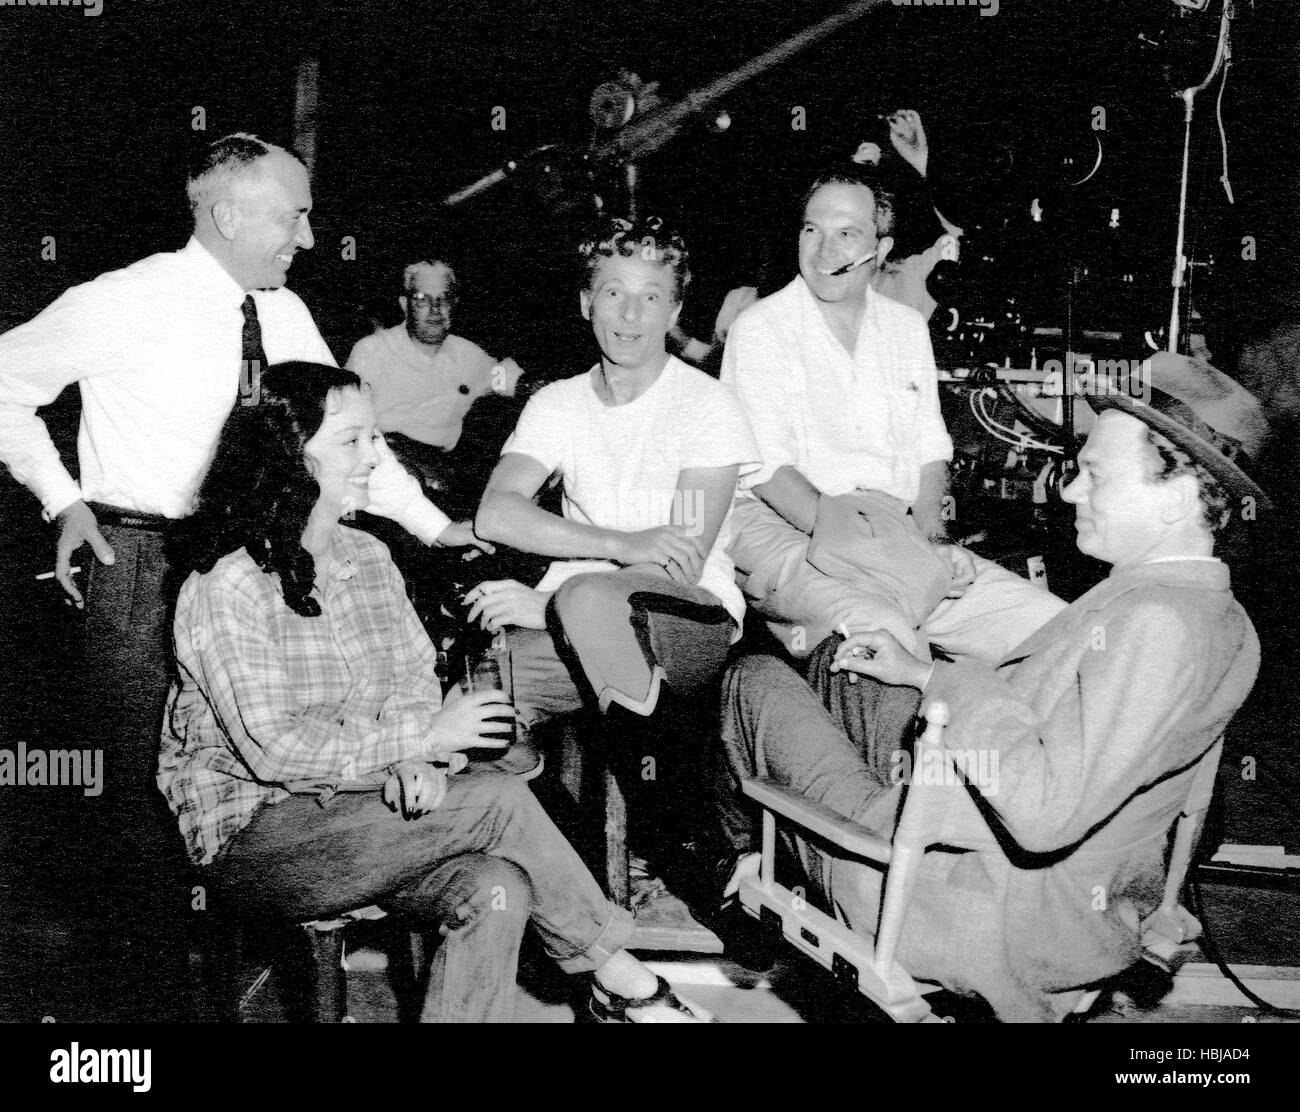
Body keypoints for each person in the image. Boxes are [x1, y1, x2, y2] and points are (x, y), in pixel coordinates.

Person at [0, 132, 475, 1019]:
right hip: (141, 561)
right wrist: (62, 499)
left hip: (256, 572)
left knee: (238, 788)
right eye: (293, 214)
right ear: (228, 214)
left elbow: (349, 439)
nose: (307, 234)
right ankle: (147, 1015)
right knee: (140, 806)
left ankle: (234, 984)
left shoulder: (285, 314)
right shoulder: (122, 299)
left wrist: (439, 526)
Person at [158, 361, 713, 1023]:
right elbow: (275, 752)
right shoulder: (226, 584)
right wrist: (422, 740)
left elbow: (413, 683)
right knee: (500, 800)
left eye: (375, 438)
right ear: (288, 457)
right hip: (257, 834)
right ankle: (624, 981)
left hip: (366, 811)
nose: (374, 457)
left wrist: (415, 760)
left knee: (497, 885)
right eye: (352, 441)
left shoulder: (369, 556)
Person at [718, 352, 1265, 1021]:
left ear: (1177, 496)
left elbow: (1042, 813)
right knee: (840, 662)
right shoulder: (1220, 615)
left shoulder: (1157, 626)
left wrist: (961, 685)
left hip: (956, 897)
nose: (1068, 492)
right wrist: (925, 673)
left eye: (1092, 474)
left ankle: (737, 870)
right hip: (991, 835)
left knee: (751, 678)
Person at [721, 163, 1065, 667]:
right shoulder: (761, 328)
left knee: (1055, 634)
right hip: (785, 526)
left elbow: (929, 452)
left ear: (880, 250)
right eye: (812, 230)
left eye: (847, 234)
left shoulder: (906, 328)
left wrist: (934, 542)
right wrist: (895, 560)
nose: (824, 251)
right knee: (888, 638)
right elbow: (770, 473)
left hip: (891, 528)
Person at [471, 215, 759, 738]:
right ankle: (547, 806)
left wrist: (554, 606)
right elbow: (496, 513)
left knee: (587, 602)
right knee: (481, 698)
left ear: (673, 311)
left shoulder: (707, 406)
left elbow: (681, 562)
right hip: (576, 609)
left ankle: (658, 803)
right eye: (612, 293)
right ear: (586, 303)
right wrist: (621, 544)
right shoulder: (556, 403)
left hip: (688, 618)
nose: (630, 314)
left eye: (650, 297)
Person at [346, 255, 525, 453]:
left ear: (454, 304)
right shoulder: (371, 352)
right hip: (384, 456)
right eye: (423, 299)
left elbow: (508, 380)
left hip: (443, 466)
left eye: (444, 299)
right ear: (405, 305)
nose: (435, 309)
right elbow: (346, 422)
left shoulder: (469, 356)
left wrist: (529, 386)